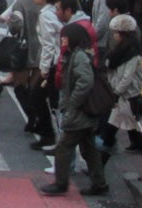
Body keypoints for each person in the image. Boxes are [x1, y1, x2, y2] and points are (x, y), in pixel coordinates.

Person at [38, 19, 108, 196]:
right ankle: (99, 183)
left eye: (64, 37)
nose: (62, 40)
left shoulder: (79, 57)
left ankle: (61, 183)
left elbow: (85, 82)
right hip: (84, 110)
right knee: (88, 148)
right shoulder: (76, 55)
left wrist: (73, 104)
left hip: (81, 111)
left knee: (64, 146)